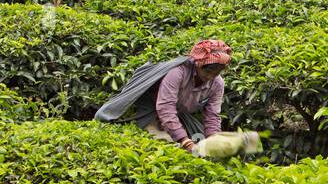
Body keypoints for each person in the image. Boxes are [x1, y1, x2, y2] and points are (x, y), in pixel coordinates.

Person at [95, 39, 251, 158]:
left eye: (216, 73)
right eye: (208, 72)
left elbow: (212, 115)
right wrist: (185, 141)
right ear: (198, 65)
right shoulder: (177, 73)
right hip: (151, 110)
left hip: (180, 114)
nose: (210, 77)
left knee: (204, 146)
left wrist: (214, 139)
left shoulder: (217, 83)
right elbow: (165, 108)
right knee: (166, 145)